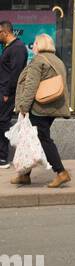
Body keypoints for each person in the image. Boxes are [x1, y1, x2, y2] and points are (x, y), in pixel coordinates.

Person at [10, 33, 71, 188]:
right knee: (32, 139)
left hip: (40, 108)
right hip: (52, 106)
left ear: (40, 44)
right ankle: (24, 175)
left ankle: (61, 172)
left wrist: (23, 107)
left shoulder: (38, 61)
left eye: (35, 43)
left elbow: (31, 86)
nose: (33, 46)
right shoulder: (57, 60)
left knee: (43, 139)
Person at [0, 20, 28, 167]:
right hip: (4, 91)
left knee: (3, 122)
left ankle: (3, 158)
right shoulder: (8, 47)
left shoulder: (17, 48)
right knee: (2, 121)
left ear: (5, 32)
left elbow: (15, 73)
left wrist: (6, 92)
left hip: (7, 93)